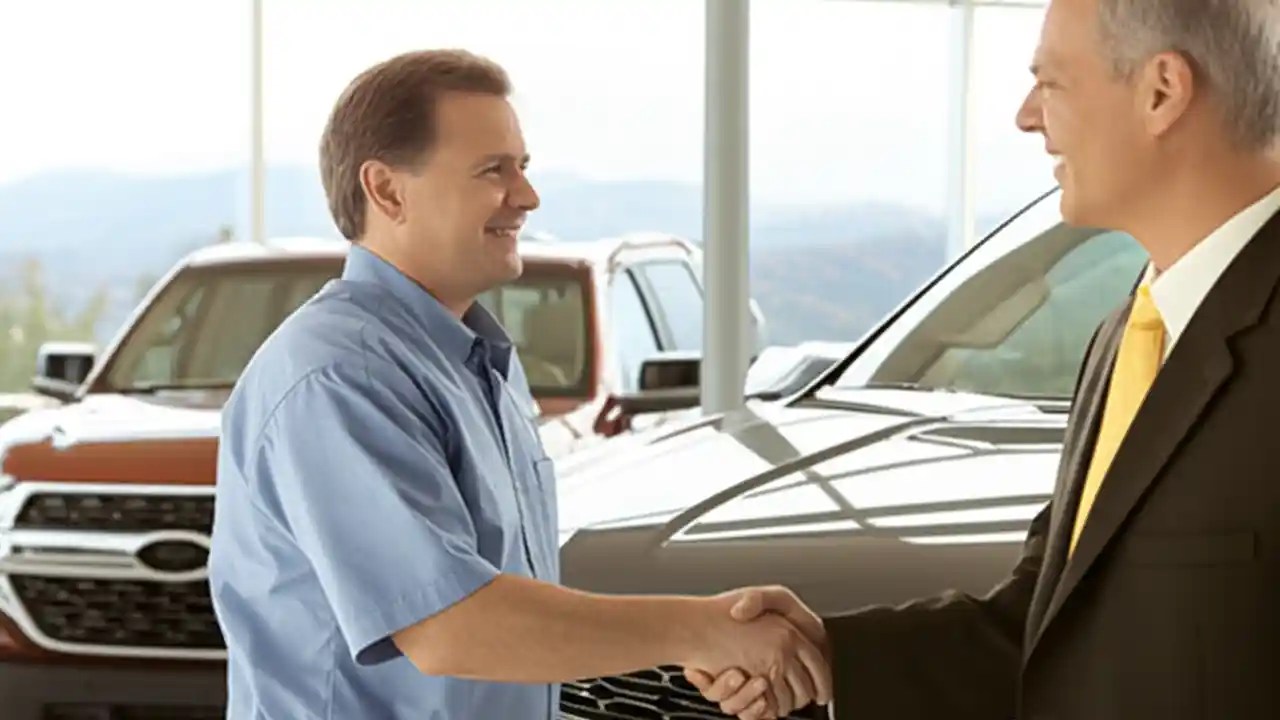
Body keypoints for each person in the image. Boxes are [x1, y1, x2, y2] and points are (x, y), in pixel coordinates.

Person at [689, 0, 1280, 718]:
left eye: (1050, 83)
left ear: (1161, 91)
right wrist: (826, 655)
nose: (1028, 117)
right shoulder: (1131, 332)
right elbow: (1050, 625)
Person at [207, 49, 831, 720]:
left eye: (522, 167)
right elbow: (450, 626)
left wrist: (702, 645)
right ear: (387, 191)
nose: (527, 196)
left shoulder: (477, 364)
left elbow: (508, 624)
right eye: (492, 170)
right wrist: (700, 632)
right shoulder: (338, 376)